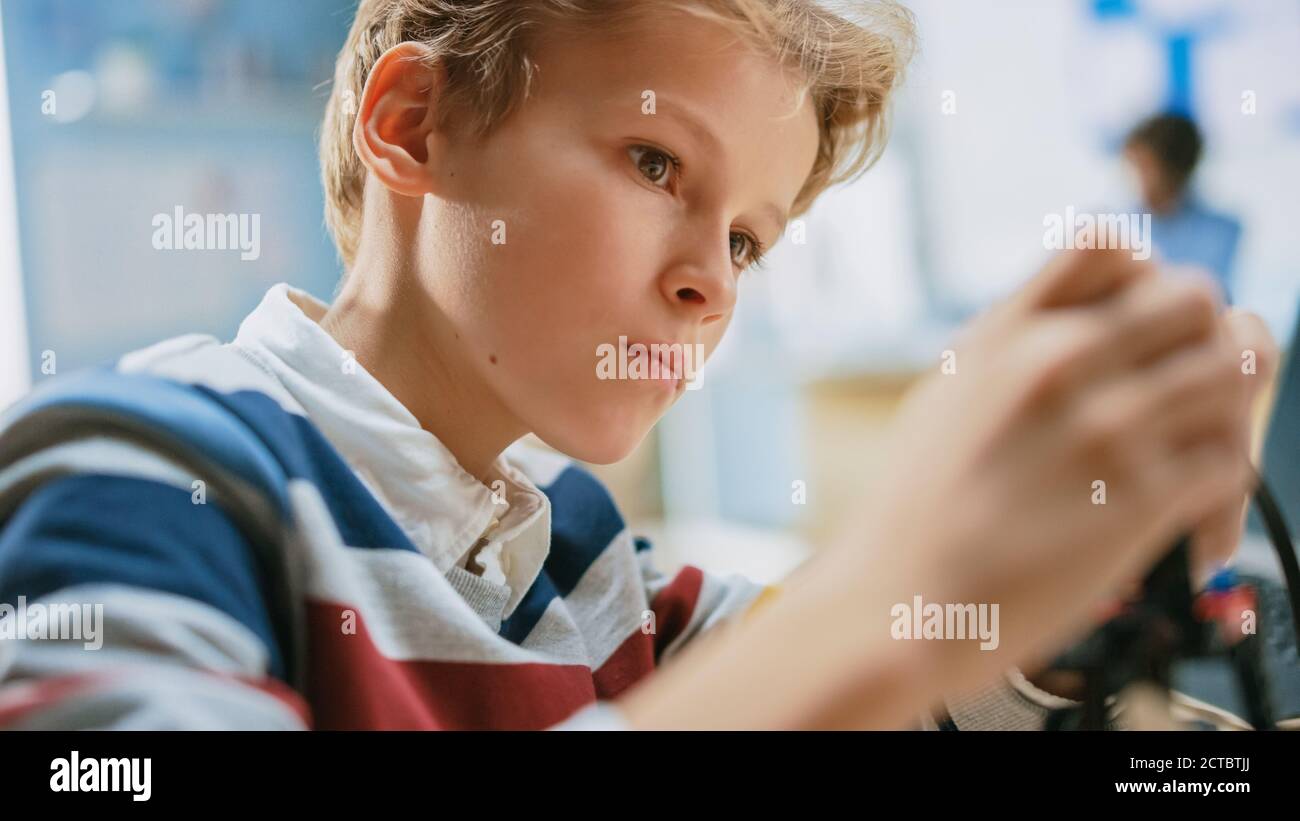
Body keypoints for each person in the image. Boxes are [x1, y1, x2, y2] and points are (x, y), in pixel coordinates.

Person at [0, 0, 1276, 730]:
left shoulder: (608, 585)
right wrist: (887, 591)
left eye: (746, 238)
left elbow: (916, 705)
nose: (713, 280)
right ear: (413, 126)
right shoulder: (134, 472)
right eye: (659, 164)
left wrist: (1078, 613)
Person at [1123, 112, 1243, 302]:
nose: (1135, 177)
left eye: (1144, 166)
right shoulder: (1115, 224)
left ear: (1173, 169)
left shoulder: (1222, 230)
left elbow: (1210, 296)